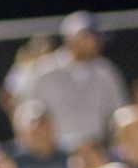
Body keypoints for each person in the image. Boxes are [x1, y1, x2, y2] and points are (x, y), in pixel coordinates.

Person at [11, 11, 128, 151]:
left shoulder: (107, 73)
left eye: (98, 38)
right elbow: (26, 113)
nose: (97, 43)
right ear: (72, 38)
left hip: (96, 151)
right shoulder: (45, 70)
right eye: (90, 37)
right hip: (57, 153)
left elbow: (120, 114)